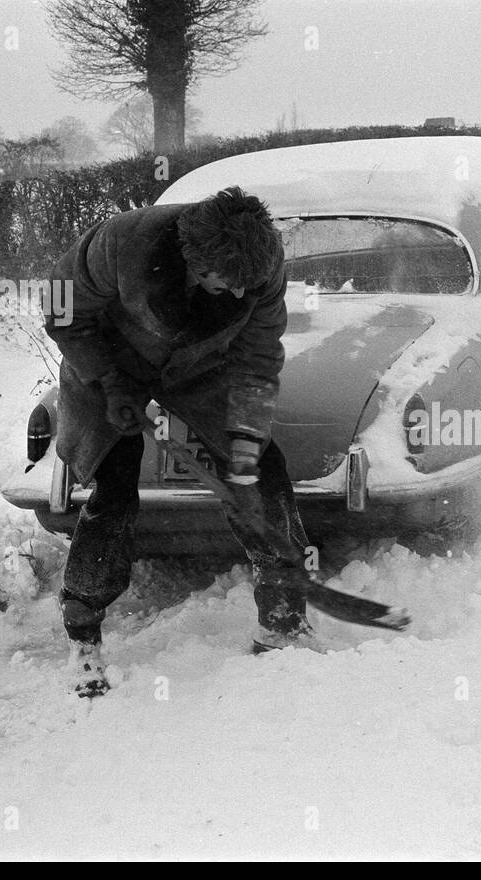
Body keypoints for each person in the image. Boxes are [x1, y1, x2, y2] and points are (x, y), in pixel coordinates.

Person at [45, 187, 312, 697]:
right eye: (225, 284)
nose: (238, 296)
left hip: (197, 366)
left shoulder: (261, 270)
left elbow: (258, 359)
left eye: (246, 287)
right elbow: (61, 309)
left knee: (262, 470)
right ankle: (83, 629)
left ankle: (283, 619)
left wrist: (246, 438)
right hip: (107, 359)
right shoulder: (122, 243)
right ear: (195, 261)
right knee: (114, 484)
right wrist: (110, 380)